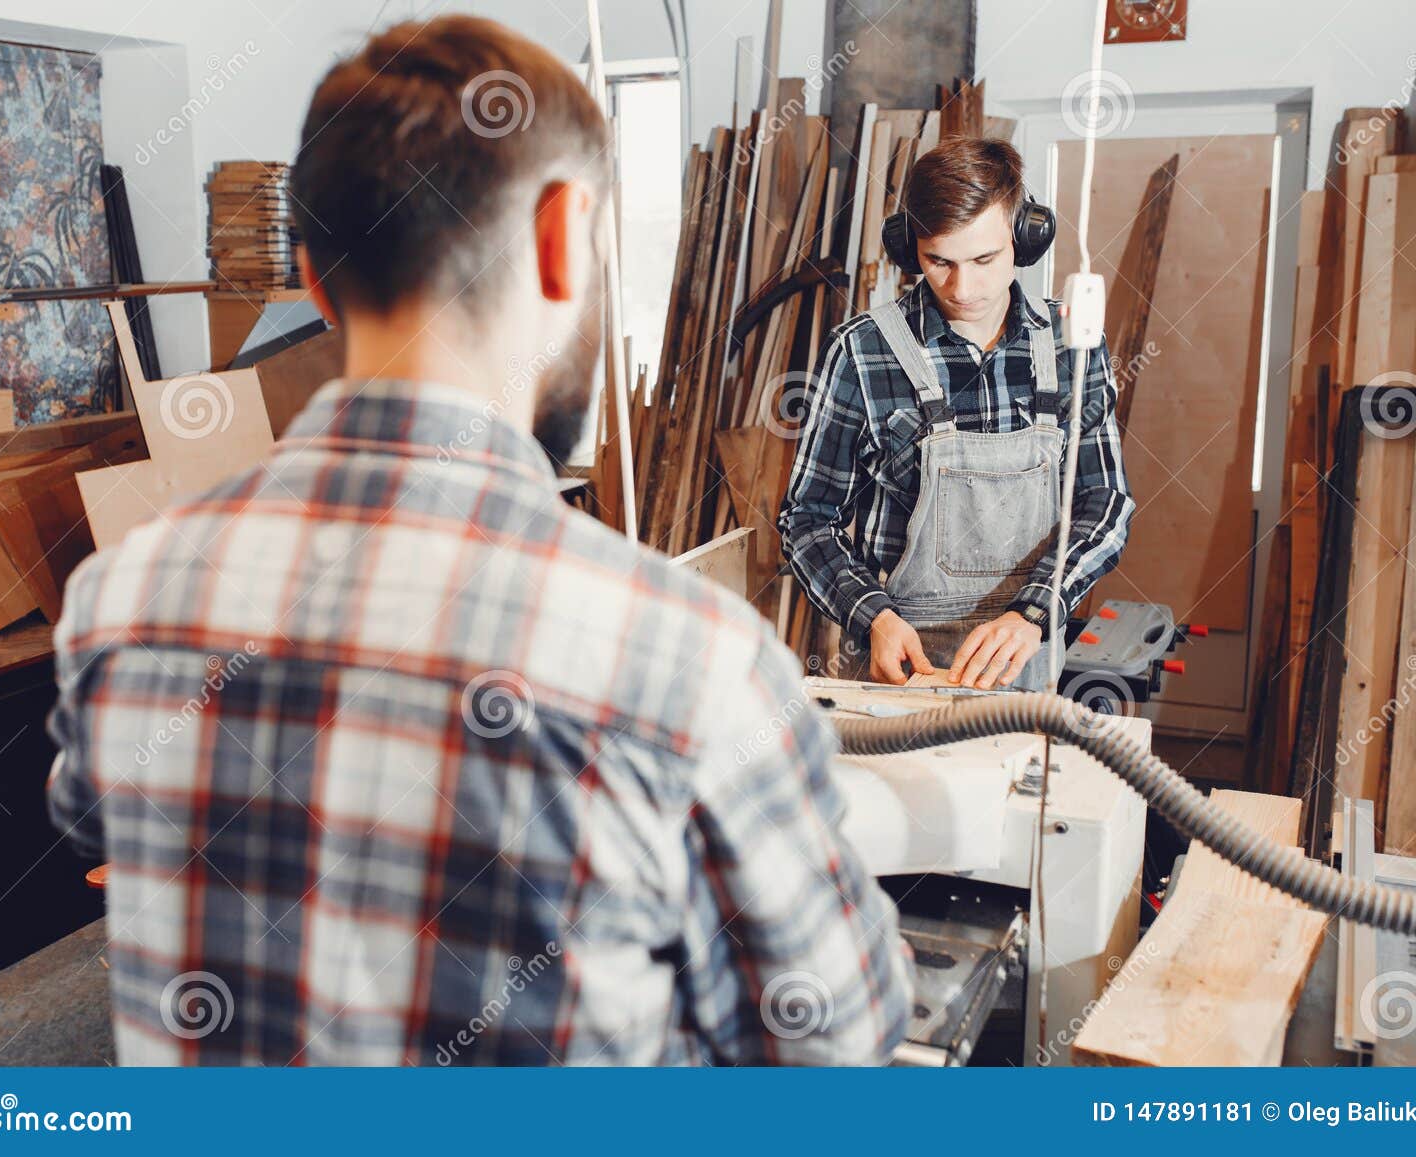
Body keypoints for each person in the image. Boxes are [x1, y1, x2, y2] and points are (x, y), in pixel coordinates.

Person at [46, 15, 910, 1066]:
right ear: (559, 237)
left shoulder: (120, 599)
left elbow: (96, 817)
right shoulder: (688, 666)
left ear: (314, 277)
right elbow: (836, 1042)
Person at [780, 137, 1134, 690]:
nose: (962, 288)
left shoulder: (1074, 343)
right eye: (938, 261)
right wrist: (873, 615)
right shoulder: (862, 352)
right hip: (904, 662)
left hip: (1028, 653)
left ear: (1025, 236)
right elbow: (807, 520)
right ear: (909, 248)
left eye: (984, 259)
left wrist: (1035, 611)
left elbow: (1104, 500)